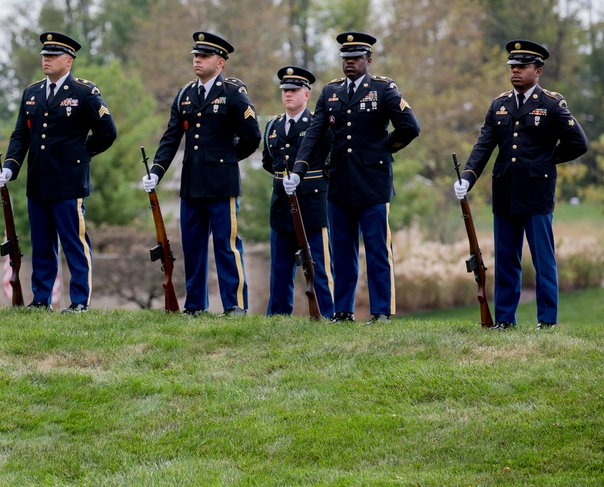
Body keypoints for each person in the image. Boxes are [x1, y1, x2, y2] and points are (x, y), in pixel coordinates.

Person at [453, 39, 588, 330]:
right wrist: (467, 176)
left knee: (543, 260)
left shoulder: (551, 103)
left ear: (538, 71)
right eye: (512, 66)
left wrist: (547, 160)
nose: (515, 71)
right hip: (505, 192)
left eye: (522, 67)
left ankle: (547, 320)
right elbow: (484, 146)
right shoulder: (499, 105)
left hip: (537, 194)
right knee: (505, 260)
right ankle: (504, 319)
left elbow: (579, 143)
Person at [286, 32, 420, 323]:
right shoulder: (331, 91)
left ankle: (381, 310)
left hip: (373, 182)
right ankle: (343, 310)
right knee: (342, 250)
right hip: (339, 181)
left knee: (376, 250)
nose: (350, 62)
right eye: (346, 58)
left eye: (356, 58)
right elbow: (314, 133)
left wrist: (385, 148)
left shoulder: (382, 89)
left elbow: (410, 127)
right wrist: (299, 169)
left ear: (368, 60)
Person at [0, 32, 117, 313]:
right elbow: (20, 135)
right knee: (42, 243)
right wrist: (11, 166)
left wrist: (83, 154)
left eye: (53, 56)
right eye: (44, 56)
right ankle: (41, 299)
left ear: (69, 60)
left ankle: (79, 300)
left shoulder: (84, 92)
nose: (46, 60)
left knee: (74, 243)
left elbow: (107, 132)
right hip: (38, 180)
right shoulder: (32, 92)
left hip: (68, 182)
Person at [142, 32, 261, 316]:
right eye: (195, 55)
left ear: (220, 62)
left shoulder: (232, 92)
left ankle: (234, 305)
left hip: (222, 184)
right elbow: (171, 137)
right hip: (192, 184)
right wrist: (157, 171)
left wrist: (228, 160)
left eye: (204, 56)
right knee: (193, 247)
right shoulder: (185, 94)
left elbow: (252, 136)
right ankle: (195, 305)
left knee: (226, 246)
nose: (197, 60)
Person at [261, 66, 334, 318]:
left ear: (307, 94)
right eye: (284, 90)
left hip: (312, 203)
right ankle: (278, 317)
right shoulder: (272, 125)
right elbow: (267, 162)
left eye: (294, 90)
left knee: (319, 268)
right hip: (281, 205)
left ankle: (326, 315)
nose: (288, 95)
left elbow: (330, 159)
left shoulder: (318, 124)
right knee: (280, 270)